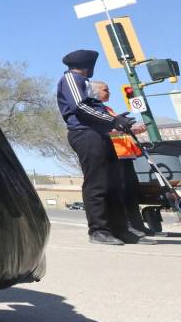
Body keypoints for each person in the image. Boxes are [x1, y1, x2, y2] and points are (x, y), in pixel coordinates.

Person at [56, 50, 152, 245]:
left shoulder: (85, 84)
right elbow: (80, 107)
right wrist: (113, 119)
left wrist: (117, 122)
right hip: (85, 134)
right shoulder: (71, 79)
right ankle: (98, 230)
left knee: (114, 183)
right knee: (97, 183)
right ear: (87, 65)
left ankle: (120, 229)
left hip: (102, 134)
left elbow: (96, 107)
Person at [90, 80, 155, 237]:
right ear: (94, 92)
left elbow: (118, 128)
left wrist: (133, 129)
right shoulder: (95, 111)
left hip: (125, 154)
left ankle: (137, 224)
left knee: (131, 192)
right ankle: (125, 225)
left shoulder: (108, 109)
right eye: (106, 90)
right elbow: (106, 130)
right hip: (113, 154)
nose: (109, 93)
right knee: (121, 192)